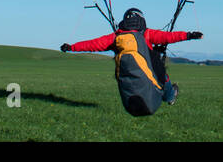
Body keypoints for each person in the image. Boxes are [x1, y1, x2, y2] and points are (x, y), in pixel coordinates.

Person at [61, 7, 203, 117]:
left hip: (126, 74)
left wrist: (72, 47)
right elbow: (169, 37)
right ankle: (171, 96)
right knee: (162, 76)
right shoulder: (147, 33)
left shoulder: (116, 36)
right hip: (149, 70)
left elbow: (93, 44)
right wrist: (190, 35)